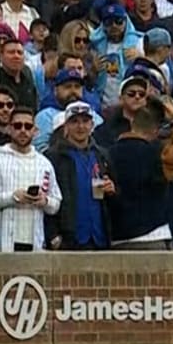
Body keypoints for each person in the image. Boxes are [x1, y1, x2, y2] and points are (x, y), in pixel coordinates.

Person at [106, 94, 173, 249]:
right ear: (156, 131)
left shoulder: (107, 153)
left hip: (117, 238)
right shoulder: (158, 153)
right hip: (153, 236)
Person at [0, 107, 60, 252]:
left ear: (35, 131)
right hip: (3, 240)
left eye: (28, 126)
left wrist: (45, 201)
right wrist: (12, 197)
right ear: (9, 129)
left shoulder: (44, 163)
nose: (23, 130)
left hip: (34, 239)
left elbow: (56, 203)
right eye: (18, 126)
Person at [45, 101, 115, 250]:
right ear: (66, 126)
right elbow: (47, 196)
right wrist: (52, 235)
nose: (80, 127)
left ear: (92, 125)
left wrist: (112, 189)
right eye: (74, 122)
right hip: (69, 239)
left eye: (85, 121)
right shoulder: (53, 157)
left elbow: (115, 195)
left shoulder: (102, 155)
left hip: (99, 237)